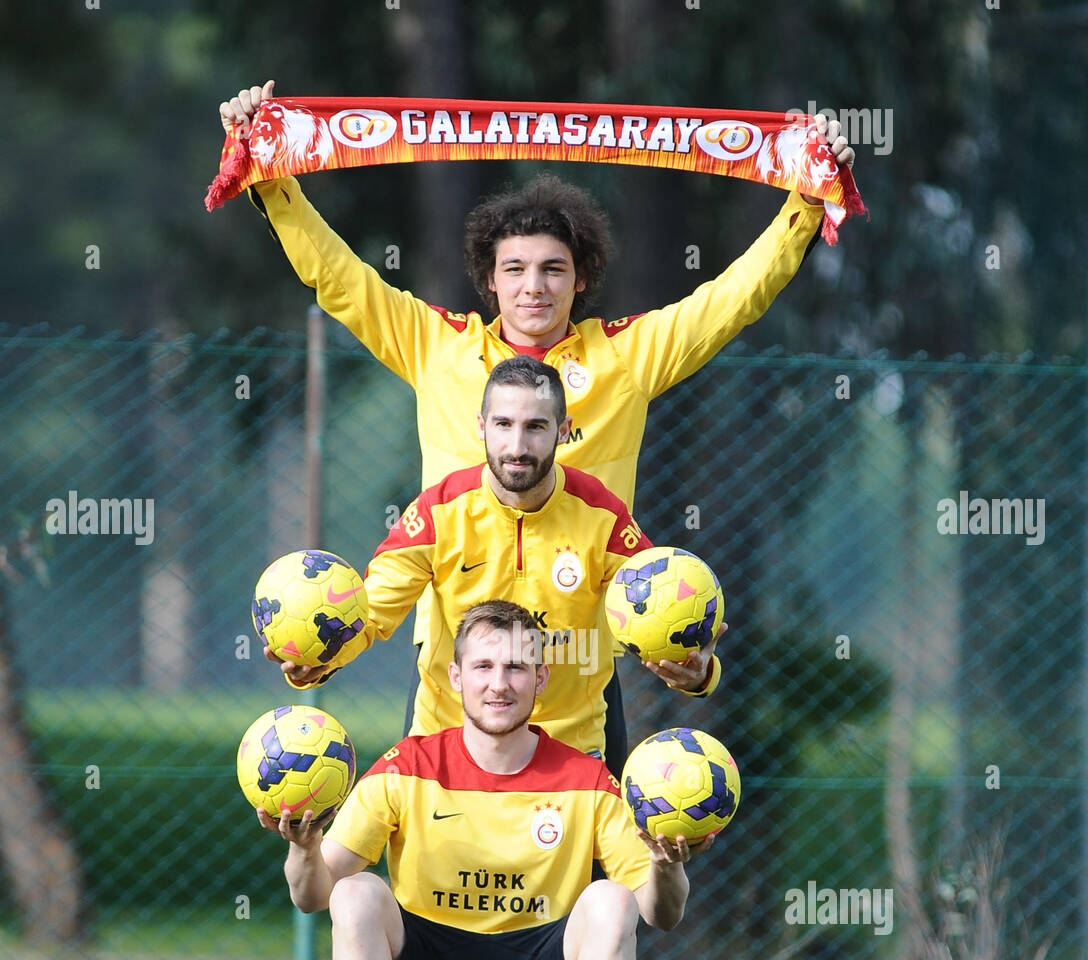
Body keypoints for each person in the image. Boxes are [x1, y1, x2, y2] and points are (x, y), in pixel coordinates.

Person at [218, 80, 855, 762]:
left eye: (554, 269)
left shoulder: (625, 358)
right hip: (453, 683)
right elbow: (339, 278)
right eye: (514, 269)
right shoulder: (438, 347)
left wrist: (806, 200)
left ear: (582, 279)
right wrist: (273, 177)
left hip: (579, 684)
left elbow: (732, 300)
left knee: (593, 871)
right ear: (488, 280)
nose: (533, 286)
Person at [257, 599, 720, 960]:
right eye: (483, 667)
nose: (499, 684)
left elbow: (660, 913)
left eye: (515, 668)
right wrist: (302, 849)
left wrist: (668, 866)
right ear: (455, 677)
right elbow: (312, 897)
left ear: (541, 678)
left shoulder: (587, 778)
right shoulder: (406, 767)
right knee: (355, 892)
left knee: (610, 899)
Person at [268, 356, 723, 762]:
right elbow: (368, 615)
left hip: (570, 755)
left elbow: (659, 616)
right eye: (503, 424)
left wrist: (698, 672)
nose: (517, 447)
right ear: (481, 427)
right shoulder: (437, 509)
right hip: (447, 746)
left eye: (536, 427)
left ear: (563, 431)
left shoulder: (602, 514)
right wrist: (318, 660)